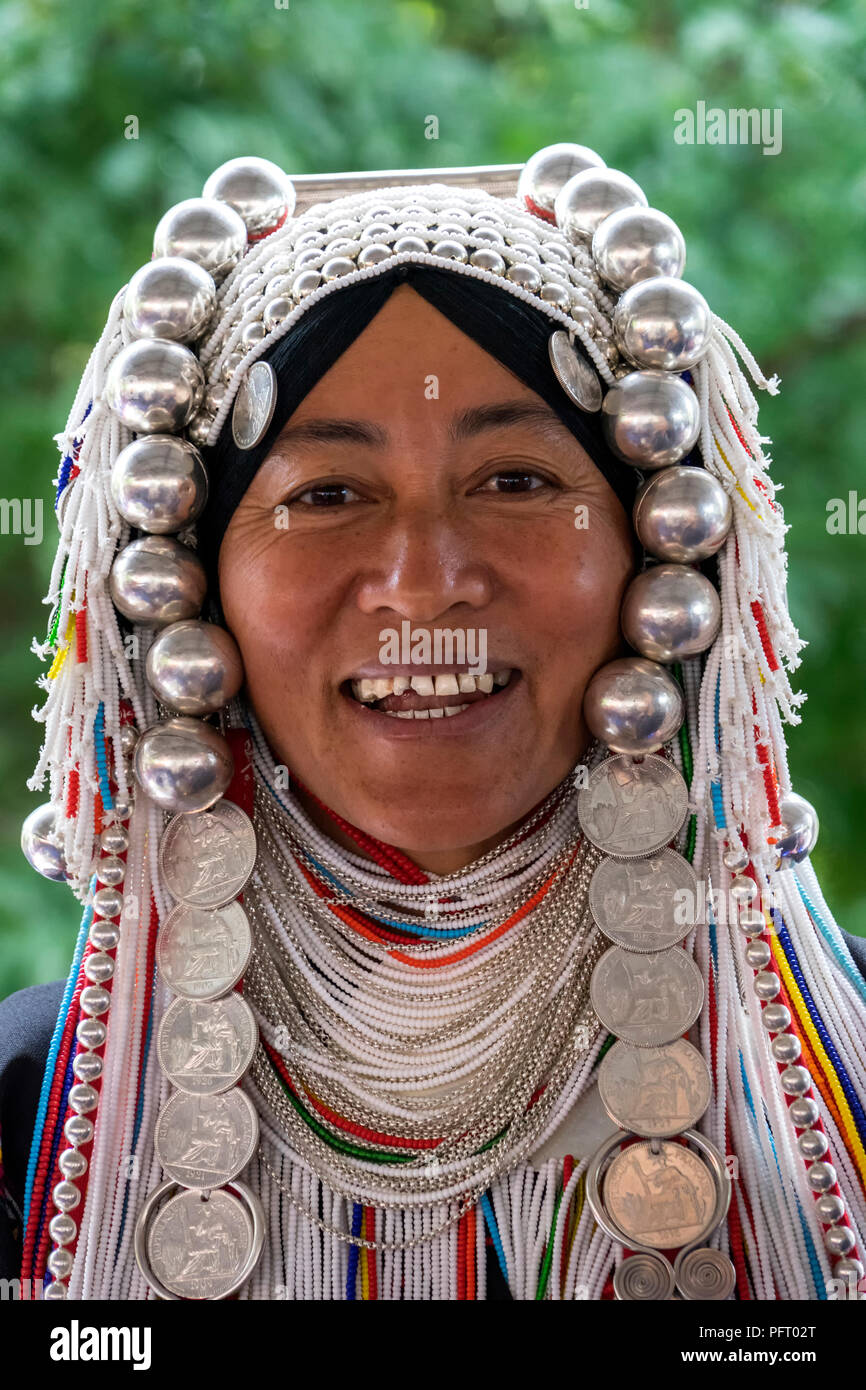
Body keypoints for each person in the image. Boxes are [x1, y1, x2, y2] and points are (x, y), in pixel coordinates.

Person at [3, 146, 865, 1301]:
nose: (422, 585)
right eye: (325, 496)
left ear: (657, 548)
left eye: (513, 481)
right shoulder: (34, 1121)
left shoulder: (835, 1077)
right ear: (194, 589)